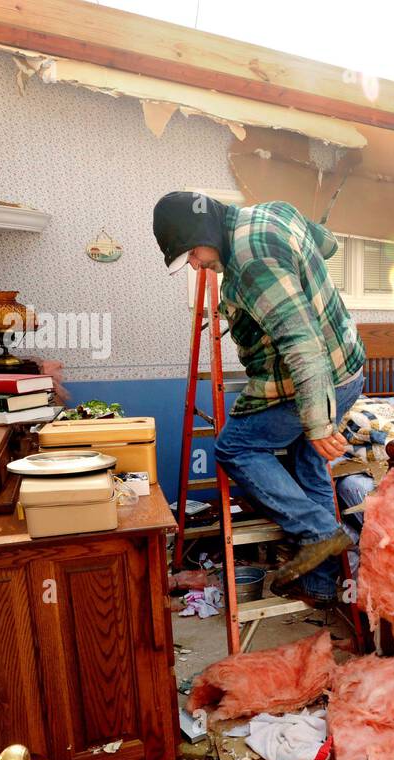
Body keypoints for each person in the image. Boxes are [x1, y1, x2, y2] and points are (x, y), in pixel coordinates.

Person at [152, 191, 364, 606]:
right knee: (308, 463)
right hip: (348, 372)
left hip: (316, 377)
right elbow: (327, 243)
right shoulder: (275, 212)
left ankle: (321, 533)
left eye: (192, 253)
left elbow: (303, 347)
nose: (195, 265)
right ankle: (321, 583)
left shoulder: (251, 263)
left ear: (204, 230)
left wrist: (318, 424)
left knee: (235, 447)